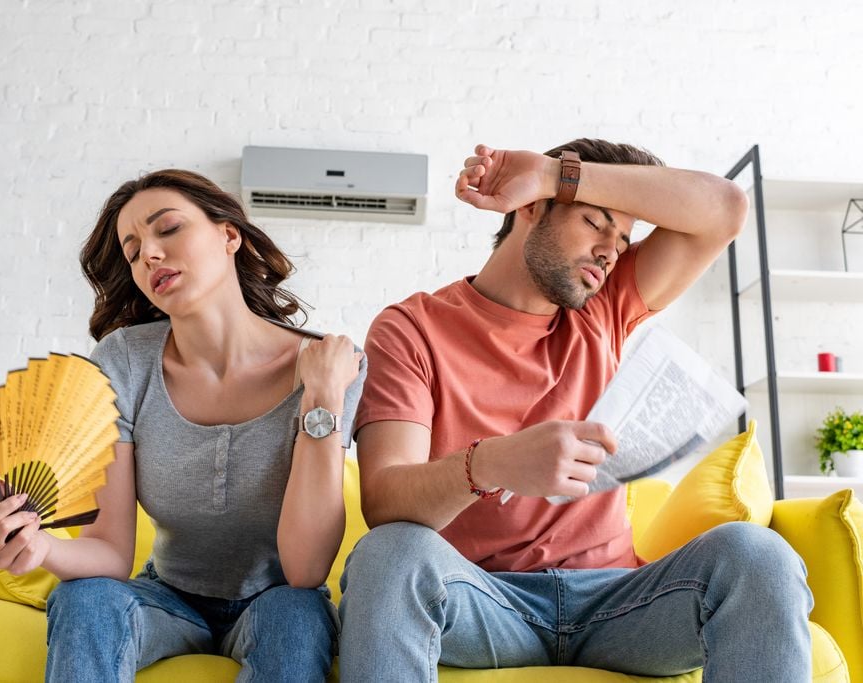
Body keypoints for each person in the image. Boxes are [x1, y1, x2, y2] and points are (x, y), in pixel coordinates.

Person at [338, 140, 812, 681]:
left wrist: (550, 173)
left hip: (619, 606)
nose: (611, 252)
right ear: (531, 207)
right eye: (595, 223)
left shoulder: (604, 308)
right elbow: (385, 500)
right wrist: (490, 464)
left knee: (760, 556)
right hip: (484, 600)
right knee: (388, 553)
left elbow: (725, 208)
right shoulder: (412, 329)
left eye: (624, 240)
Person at [0, 169, 366, 682]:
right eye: (133, 252)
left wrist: (323, 397)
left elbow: (305, 570)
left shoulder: (331, 367)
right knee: (85, 598)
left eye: (169, 229)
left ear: (229, 235)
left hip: (278, 599)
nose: (150, 255)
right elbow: (110, 552)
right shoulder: (124, 362)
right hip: (166, 598)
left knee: (297, 615)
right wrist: (42, 547)